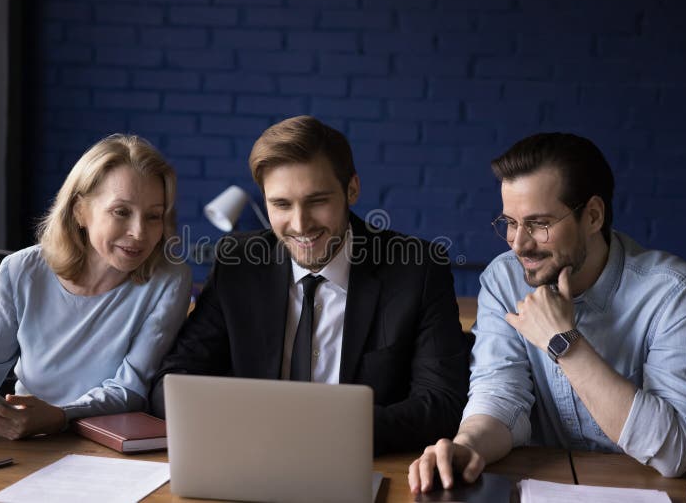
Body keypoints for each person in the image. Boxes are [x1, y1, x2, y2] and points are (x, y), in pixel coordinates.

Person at [409, 132, 686, 492]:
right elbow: (501, 395)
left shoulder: (677, 294)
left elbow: (675, 451)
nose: (519, 243)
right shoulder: (504, 279)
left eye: (539, 225)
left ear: (593, 216)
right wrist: (467, 446)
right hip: (545, 488)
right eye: (509, 222)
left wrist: (565, 344)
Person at [151, 115, 469, 454]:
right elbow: (171, 383)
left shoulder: (417, 268)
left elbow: (441, 405)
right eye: (281, 204)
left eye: (317, 201)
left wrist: (317, 433)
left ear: (352, 189)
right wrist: (246, 428)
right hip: (254, 459)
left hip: (364, 464)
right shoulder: (238, 263)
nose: (300, 224)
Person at [0, 134, 191, 439]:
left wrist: (60, 416)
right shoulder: (20, 271)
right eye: (121, 212)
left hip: (109, 445)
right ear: (79, 211)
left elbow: (130, 390)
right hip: (25, 440)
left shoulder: (169, 280)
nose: (139, 232)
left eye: (153, 216)